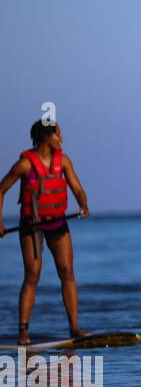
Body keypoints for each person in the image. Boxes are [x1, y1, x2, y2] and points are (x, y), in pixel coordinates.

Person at [0, 121, 90, 346]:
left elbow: (77, 188)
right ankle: (23, 331)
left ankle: (74, 327)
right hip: (32, 226)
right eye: (58, 134)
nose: (61, 138)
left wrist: (83, 205)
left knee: (67, 271)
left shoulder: (64, 161)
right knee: (32, 275)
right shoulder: (24, 165)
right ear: (46, 137)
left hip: (57, 224)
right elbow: (1, 190)